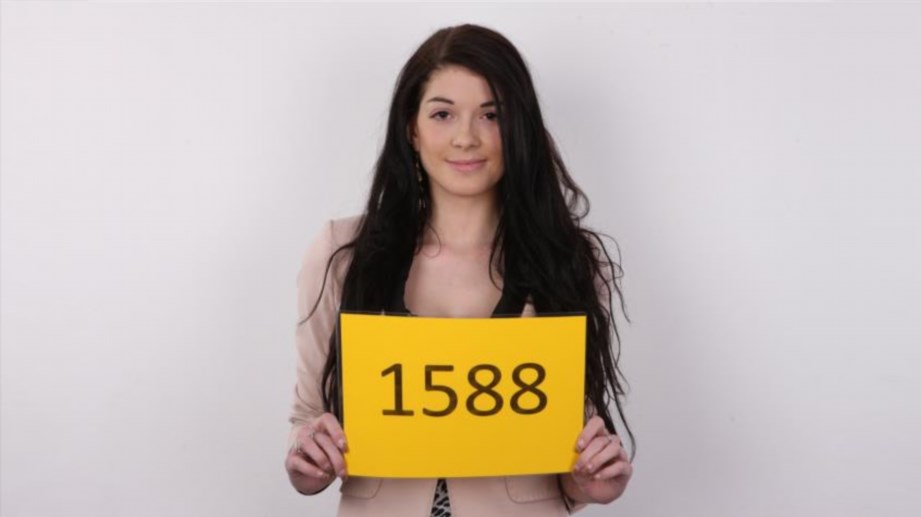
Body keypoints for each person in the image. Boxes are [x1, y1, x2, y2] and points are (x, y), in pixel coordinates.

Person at [284, 23, 635, 516]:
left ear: (518, 129)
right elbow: (307, 418)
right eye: (443, 114)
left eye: (491, 115)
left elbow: (574, 447)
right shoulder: (342, 254)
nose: (466, 137)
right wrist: (308, 461)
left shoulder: (569, 259)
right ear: (412, 128)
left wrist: (592, 482)